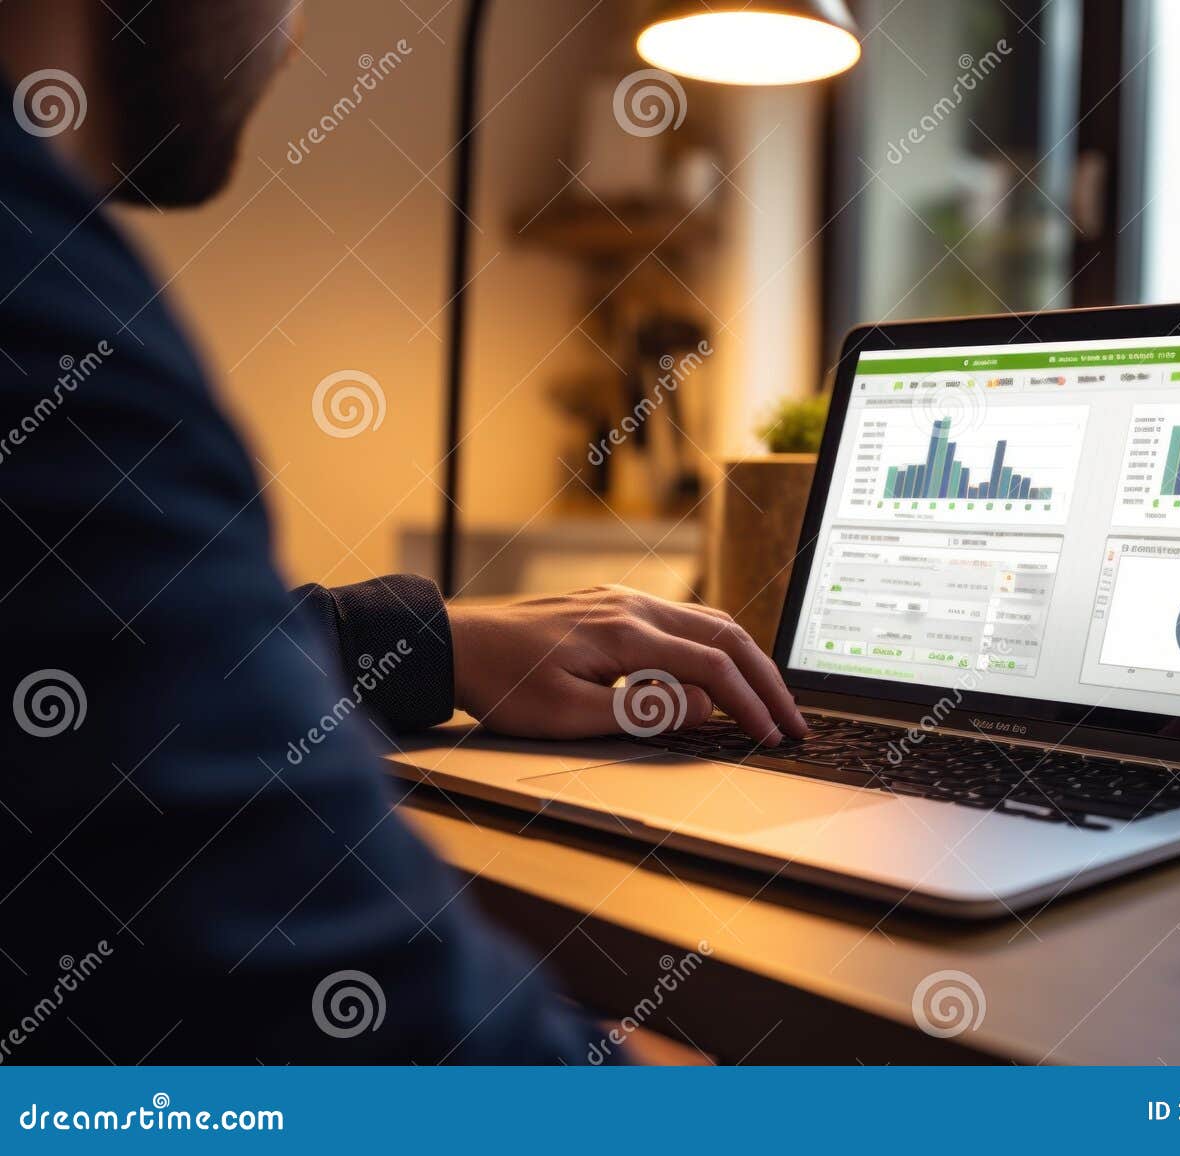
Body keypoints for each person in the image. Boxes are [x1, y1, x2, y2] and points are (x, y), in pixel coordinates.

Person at [0, 0, 806, 1063]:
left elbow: (96, 650)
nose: (296, 35)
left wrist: (438, 640)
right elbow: (352, 1006)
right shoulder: (48, 327)